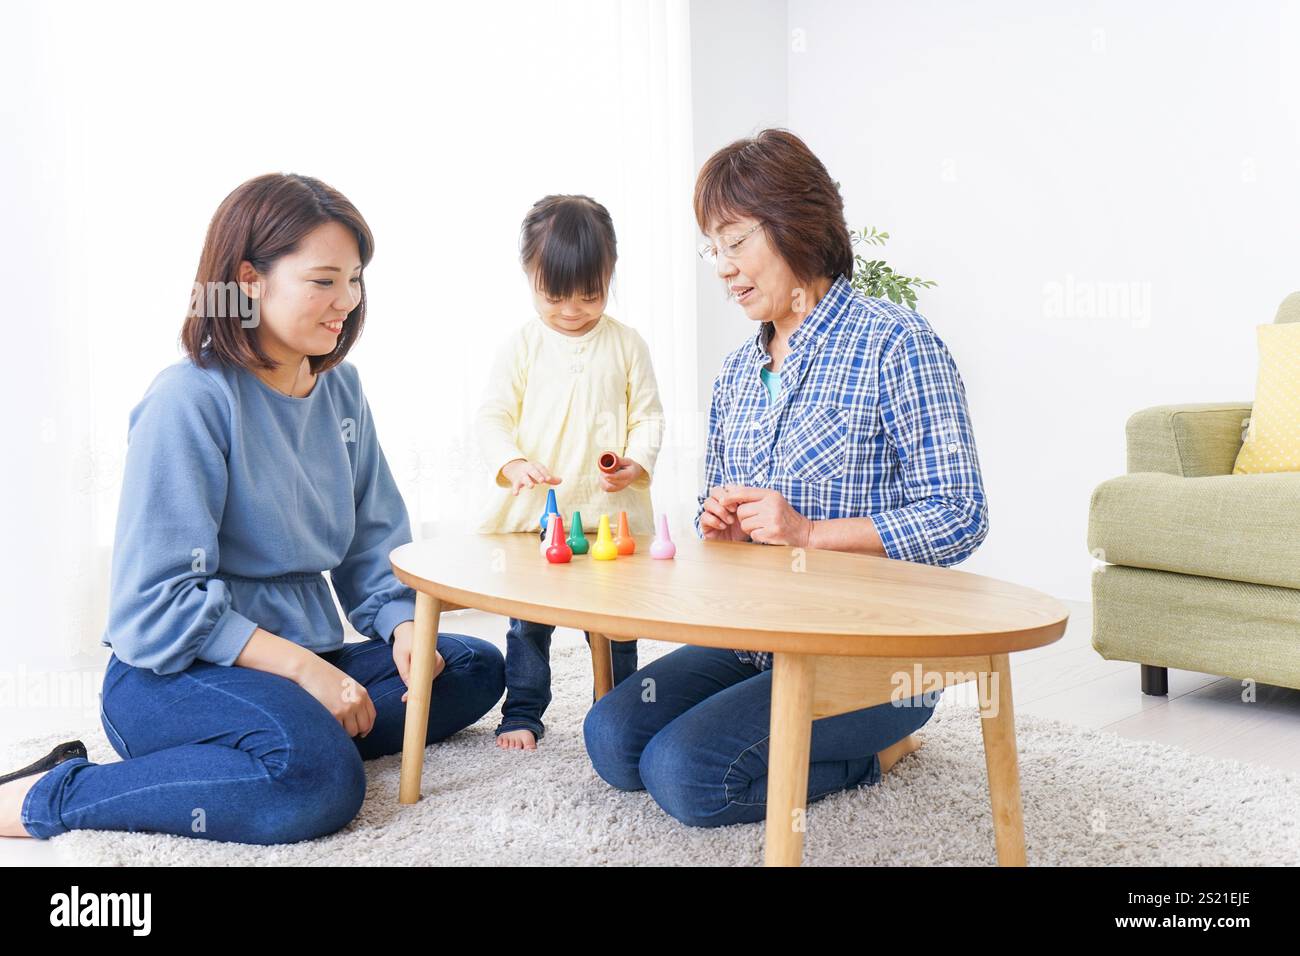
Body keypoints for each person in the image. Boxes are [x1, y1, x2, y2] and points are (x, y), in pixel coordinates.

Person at [0, 173, 505, 844]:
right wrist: (304, 670)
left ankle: (242, 754)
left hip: (306, 656)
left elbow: (373, 550)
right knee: (318, 782)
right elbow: (155, 601)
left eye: (355, 280)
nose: (346, 303)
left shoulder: (341, 391)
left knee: (468, 666)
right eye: (323, 280)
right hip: (174, 676)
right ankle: (50, 795)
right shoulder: (190, 400)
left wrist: (401, 626)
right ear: (248, 280)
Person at [583, 129, 990, 827]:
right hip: (753, 645)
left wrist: (810, 533)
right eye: (712, 247)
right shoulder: (740, 373)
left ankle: (884, 747)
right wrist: (721, 526)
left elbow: (960, 514)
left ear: (796, 224)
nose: (722, 266)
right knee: (613, 740)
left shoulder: (897, 344)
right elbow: (729, 521)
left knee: (685, 775)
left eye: (736, 241)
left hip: (870, 655)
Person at [475, 194, 665, 750]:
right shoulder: (522, 346)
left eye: (591, 294)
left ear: (611, 275)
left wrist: (636, 463)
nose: (572, 310)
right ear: (528, 276)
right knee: (529, 624)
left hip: (612, 516)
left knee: (615, 626)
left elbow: (648, 415)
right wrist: (511, 462)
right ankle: (524, 713)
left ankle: (621, 713)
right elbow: (492, 418)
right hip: (544, 516)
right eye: (554, 296)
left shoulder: (627, 343)